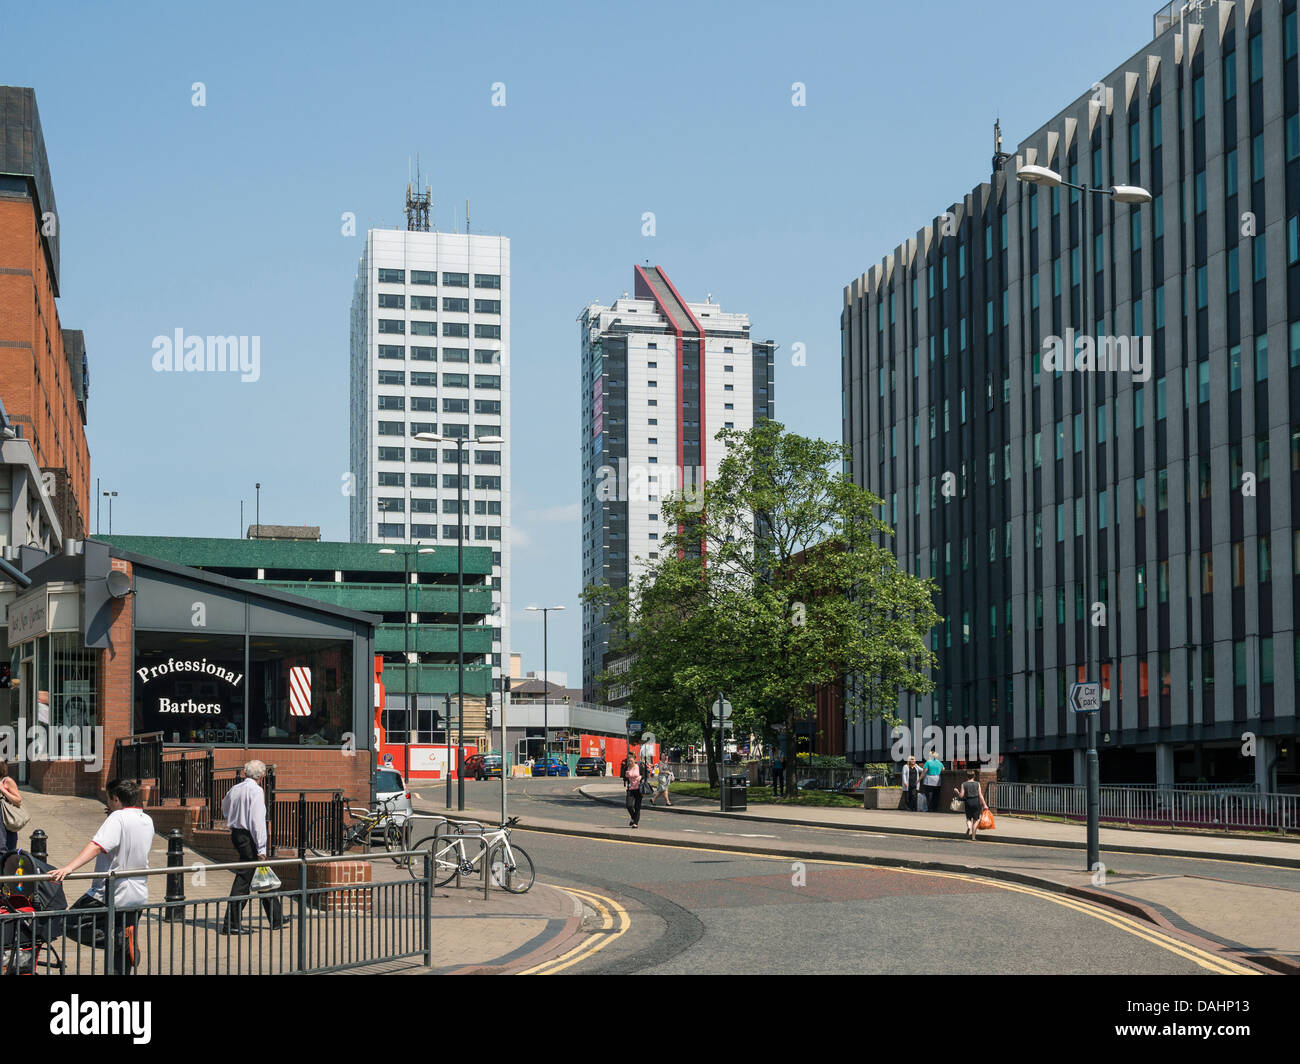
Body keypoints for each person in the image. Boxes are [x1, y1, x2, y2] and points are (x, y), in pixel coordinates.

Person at [50, 778, 153, 973]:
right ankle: (124, 940)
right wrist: (113, 815)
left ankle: (121, 939)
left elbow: (97, 845)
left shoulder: (117, 819)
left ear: (115, 798)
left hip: (110, 892)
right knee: (120, 957)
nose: (107, 803)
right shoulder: (146, 819)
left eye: (108, 799)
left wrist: (69, 867)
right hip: (138, 892)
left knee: (69, 923)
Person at [219, 760, 283, 934]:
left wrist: (233, 816)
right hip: (249, 837)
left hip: (237, 834)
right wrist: (262, 848)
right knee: (243, 880)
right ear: (262, 776)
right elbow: (257, 822)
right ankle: (231, 923)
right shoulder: (256, 791)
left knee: (259, 872)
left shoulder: (235, 789)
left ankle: (276, 917)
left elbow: (224, 806)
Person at [0, 760, 24, 853]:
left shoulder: (7, 781)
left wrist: (3, 790)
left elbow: (18, 800)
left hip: (5, 817)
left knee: (4, 848)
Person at [959, 769, 988, 841]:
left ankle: (968, 826)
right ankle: (973, 837)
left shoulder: (964, 784)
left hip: (968, 802)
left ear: (966, 776)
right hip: (976, 801)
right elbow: (980, 795)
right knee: (976, 820)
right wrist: (984, 805)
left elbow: (961, 796)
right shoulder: (977, 784)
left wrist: (957, 792)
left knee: (968, 818)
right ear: (974, 776)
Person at [621, 752, 645, 828]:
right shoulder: (626, 767)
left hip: (639, 789)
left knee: (637, 807)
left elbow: (644, 775)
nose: (630, 763)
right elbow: (623, 778)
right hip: (630, 789)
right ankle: (634, 817)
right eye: (629, 761)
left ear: (635, 760)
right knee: (629, 805)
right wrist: (626, 776)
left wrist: (640, 777)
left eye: (631, 761)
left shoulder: (639, 766)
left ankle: (635, 823)